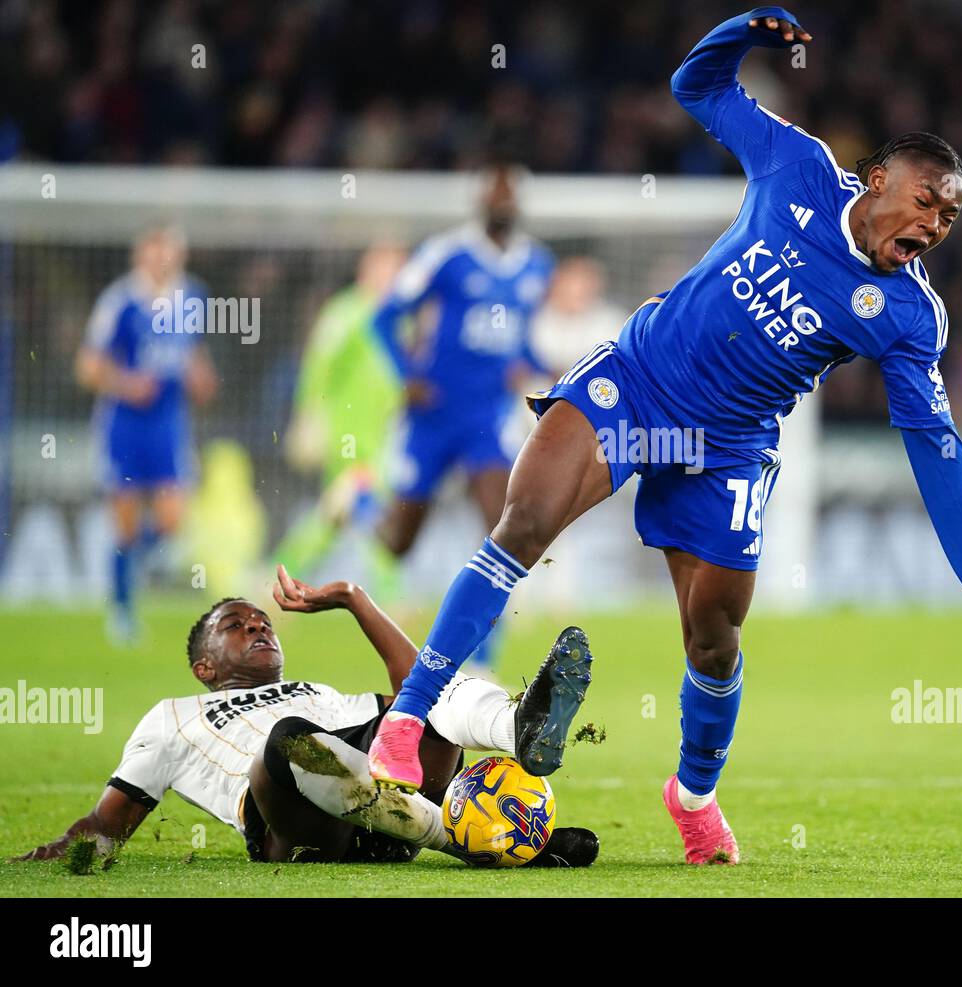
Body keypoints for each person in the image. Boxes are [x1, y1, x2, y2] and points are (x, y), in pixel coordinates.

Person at [367, 8, 962, 866]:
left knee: (714, 638)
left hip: (727, 448)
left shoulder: (908, 316)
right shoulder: (796, 167)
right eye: (925, 199)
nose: (936, 223)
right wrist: (741, 32)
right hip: (638, 384)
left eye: (950, 216)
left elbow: (935, 448)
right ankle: (407, 720)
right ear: (873, 181)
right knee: (520, 526)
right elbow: (698, 86)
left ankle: (694, 795)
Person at [17, 566, 596, 867]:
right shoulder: (171, 717)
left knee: (421, 698)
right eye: (236, 625)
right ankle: (472, 835)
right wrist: (55, 856)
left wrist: (352, 598)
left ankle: (513, 726)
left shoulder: (314, 690)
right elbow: (108, 824)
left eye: (262, 621)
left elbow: (411, 693)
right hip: (299, 831)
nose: (257, 626)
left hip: (387, 808)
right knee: (287, 739)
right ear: (203, 667)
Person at [372, 163, 555, 667]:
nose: (502, 203)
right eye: (494, 193)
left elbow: (517, 341)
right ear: (480, 201)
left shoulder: (536, 264)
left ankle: (482, 654)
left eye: (509, 194)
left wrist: (541, 368)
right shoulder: (446, 254)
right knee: (398, 544)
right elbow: (384, 318)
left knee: (503, 525)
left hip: (487, 418)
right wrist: (405, 373)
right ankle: (363, 507)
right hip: (432, 415)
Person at [75, 225, 217, 643]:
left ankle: (129, 568)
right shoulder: (120, 301)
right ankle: (121, 612)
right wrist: (126, 383)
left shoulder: (193, 296)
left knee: (173, 521)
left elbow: (190, 350)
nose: (164, 260)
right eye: (156, 252)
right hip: (124, 424)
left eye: (171, 252)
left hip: (169, 423)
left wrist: (200, 375)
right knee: (125, 522)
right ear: (141, 255)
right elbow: (87, 366)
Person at [275, 241, 407, 594]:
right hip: (346, 433)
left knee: (334, 517)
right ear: (367, 270)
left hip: (381, 433)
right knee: (371, 507)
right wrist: (308, 415)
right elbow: (318, 363)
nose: (393, 277)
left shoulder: (397, 319)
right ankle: (393, 594)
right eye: (387, 268)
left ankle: (279, 575)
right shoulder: (345, 311)